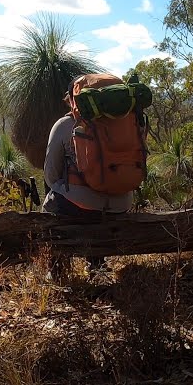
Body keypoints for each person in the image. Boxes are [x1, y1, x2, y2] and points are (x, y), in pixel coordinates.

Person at [42, 110, 134, 273]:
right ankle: (97, 264)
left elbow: (51, 176)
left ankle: (58, 269)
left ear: (72, 100)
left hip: (79, 209)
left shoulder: (65, 124)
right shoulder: (124, 122)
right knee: (92, 205)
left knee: (49, 207)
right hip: (122, 205)